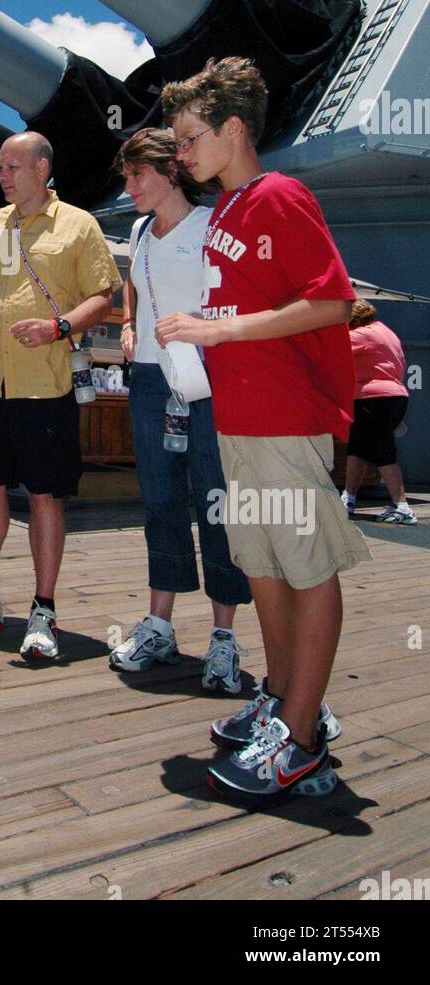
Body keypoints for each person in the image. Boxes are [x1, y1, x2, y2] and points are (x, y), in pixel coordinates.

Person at [157, 57, 369, 802]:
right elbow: (245, 310)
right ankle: (283, 702)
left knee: (307, 567)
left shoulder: (280, 196)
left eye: (189, 140)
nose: (180, 155)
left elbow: (333, 302)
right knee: (264, 565)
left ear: (234, 129)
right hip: (240, 421)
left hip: (287, 419)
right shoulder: (224, 213)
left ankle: (304, 738)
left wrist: (222, 331)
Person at [0, 131, 120, 660]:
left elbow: (103, 296)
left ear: (42, 168)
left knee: (45, 494)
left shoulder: (80, 225)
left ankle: (43, 608)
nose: (0, 175)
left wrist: (59, 327)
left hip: (45, 382)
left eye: (10, 166)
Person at [109, 129, 252, 689]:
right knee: (160, 498)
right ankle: (160, 625)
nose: (129, 186)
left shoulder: (215, 223)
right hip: (150, 379)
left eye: (137, 174)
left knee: (215, 500)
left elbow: (239, 297)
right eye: (126, 175)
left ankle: (223, 637)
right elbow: (133, 282)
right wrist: (126, 322)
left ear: (171, 172)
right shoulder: (140, 229)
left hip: (205, 378)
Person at [342, 299, 415, 524]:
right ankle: (349, 499)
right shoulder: (387, 332)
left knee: (383, 450)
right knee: (359, 447)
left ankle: (402, 507)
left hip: (372, 397)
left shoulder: (361, 334)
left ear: (352, 319)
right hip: (396, 395)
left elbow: (331, 351)